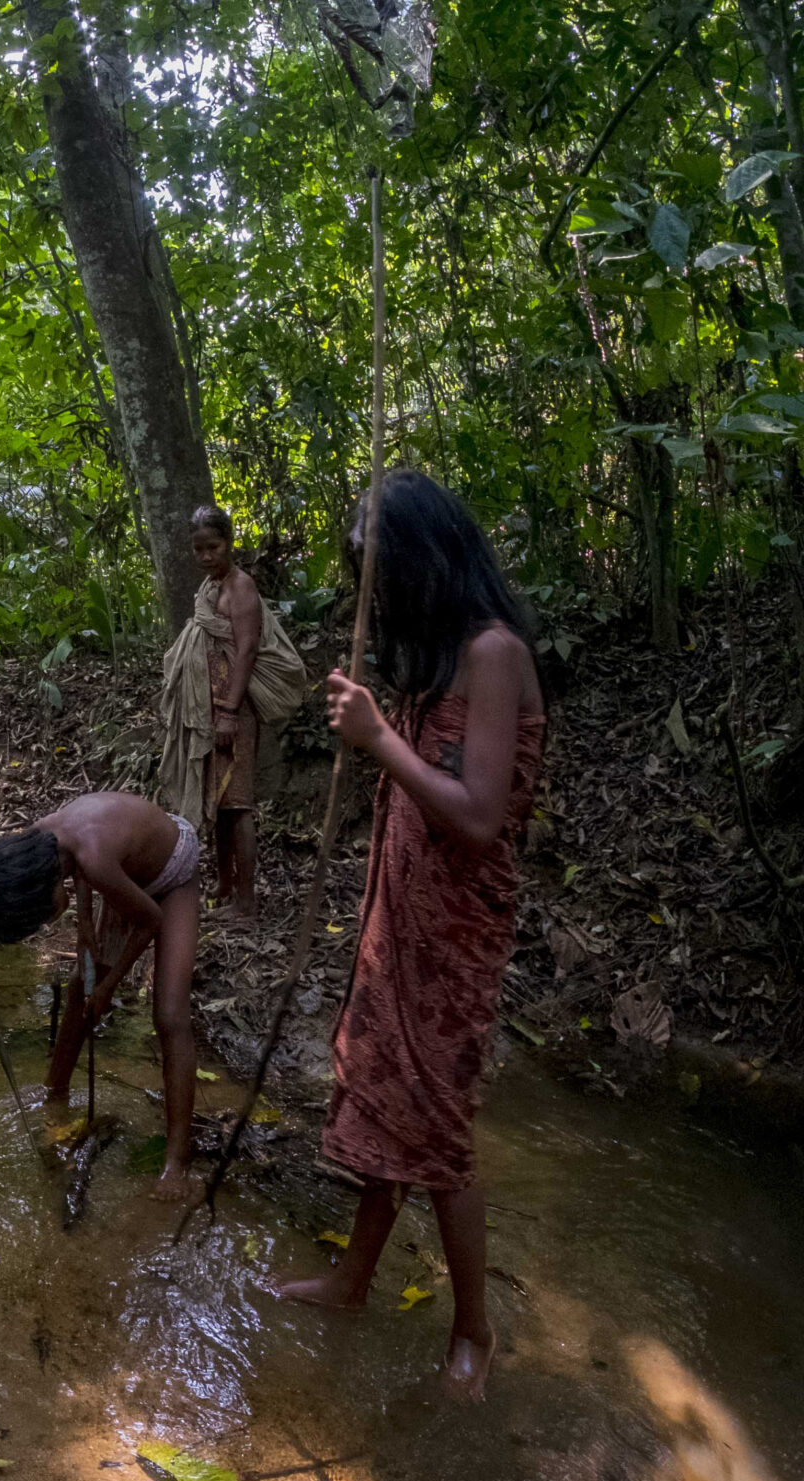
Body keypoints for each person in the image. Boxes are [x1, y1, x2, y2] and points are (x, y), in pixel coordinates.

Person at [275, 469, 543, 1405]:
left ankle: (475, 1329)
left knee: (438, 1127)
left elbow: (477, 815)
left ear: (429, 562)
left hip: (457, 937)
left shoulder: (495, 654)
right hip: (403, 924)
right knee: (388, 1100)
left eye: (385, 580)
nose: (379, 602)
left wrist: (379, 738)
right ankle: (353, 1279)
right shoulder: (436, 659)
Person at [0, 792, 204, 1200]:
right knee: (81, 988)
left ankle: (175, 1164)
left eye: (42, 916)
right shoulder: (43, 841)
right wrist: (86, 927)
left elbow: (150, 920)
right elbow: (76, 868)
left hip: (172, 873)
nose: (46, 922)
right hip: (128, 876)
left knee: (169, 1016)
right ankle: (54, 1092)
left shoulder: (93, 856)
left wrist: (109, 987)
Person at [157, 506, 313, 918]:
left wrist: (228, 711)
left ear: (229, 543)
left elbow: (245, 650)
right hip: (208, 712)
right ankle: (224, 883)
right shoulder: (211, 587)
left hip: (233, 711)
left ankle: (245, 900)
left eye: (214, 546)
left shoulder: (241, 587)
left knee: (238, 803)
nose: (206, 556)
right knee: (219, 803)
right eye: (198, 549)